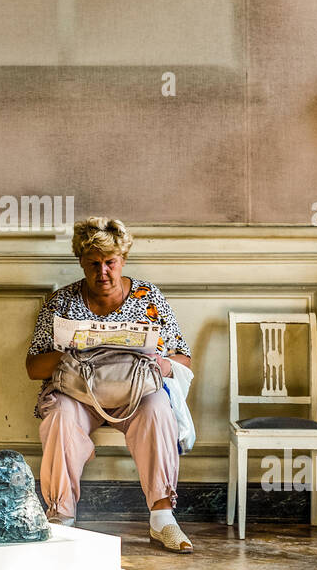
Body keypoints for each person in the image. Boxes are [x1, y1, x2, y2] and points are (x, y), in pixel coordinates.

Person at [26, 217, 195, 552]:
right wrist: (72, 351)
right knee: (59, 413)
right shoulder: (62, 303)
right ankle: (61, 518)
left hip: (134, 394)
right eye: (93, 264)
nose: (102, 272)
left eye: (110, 263)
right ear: (80, 262)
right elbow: (33, 367)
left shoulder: (148, 297)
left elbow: (184, 358)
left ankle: (163, 519)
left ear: (123, 260)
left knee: (158, 407)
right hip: (79, 394)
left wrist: (162, 362)